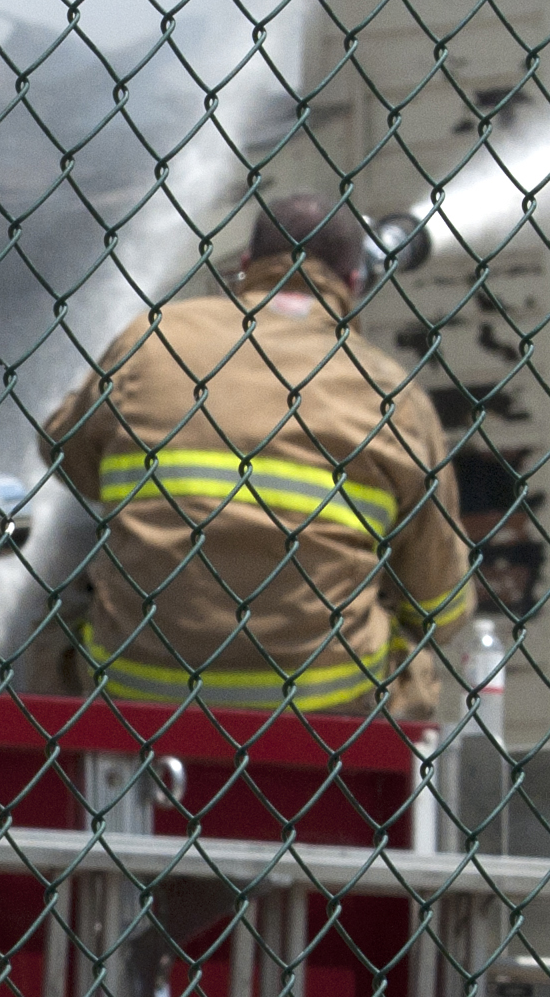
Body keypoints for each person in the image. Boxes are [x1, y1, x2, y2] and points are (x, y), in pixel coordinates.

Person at [39, 193, 469, 715]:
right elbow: (441, 606)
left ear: (244, 267)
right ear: (354, 285)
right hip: (324, 710)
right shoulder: (392, 397)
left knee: (68, 583)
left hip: (138, 690)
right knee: (413, 645)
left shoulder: (154, 339)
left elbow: (62, 449)